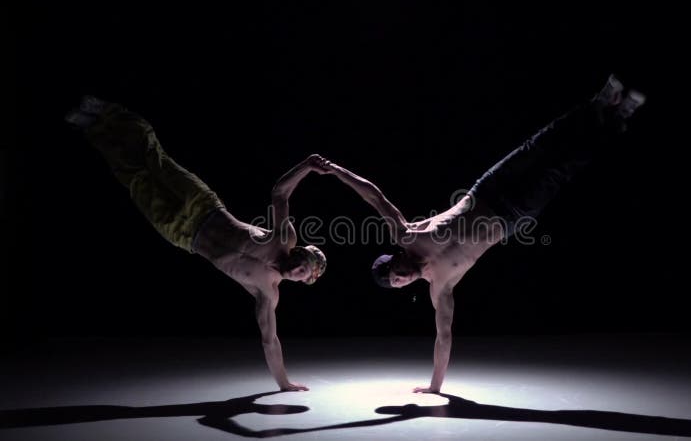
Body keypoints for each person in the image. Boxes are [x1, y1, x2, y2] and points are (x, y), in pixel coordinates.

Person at [317, 75, 645, 393]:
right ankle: (617, 118)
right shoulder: (440, 287)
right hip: (513, 214)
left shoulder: (407, 235)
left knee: (538, 146)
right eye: (398, 284)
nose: (402, 279)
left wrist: (335, 170)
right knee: (562, 168)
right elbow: (443, 336)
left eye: (395, 274)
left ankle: (598, 104)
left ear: (394, 259)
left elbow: (375, 197)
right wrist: (435, 386)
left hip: (486, 190)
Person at [65, 97, 328, 391]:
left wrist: (284, 383)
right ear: (300, 252)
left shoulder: (268, 293)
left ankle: (93, 129)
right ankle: (109, 112)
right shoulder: (283, 238)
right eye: (303, 263)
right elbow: (280, 193)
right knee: (155, 159)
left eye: (305, 274)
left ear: (305, 281)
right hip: (203, 205)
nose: (299, 270)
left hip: (183, 234)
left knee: (135, 178)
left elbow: (270, 339)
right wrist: (307, 165)